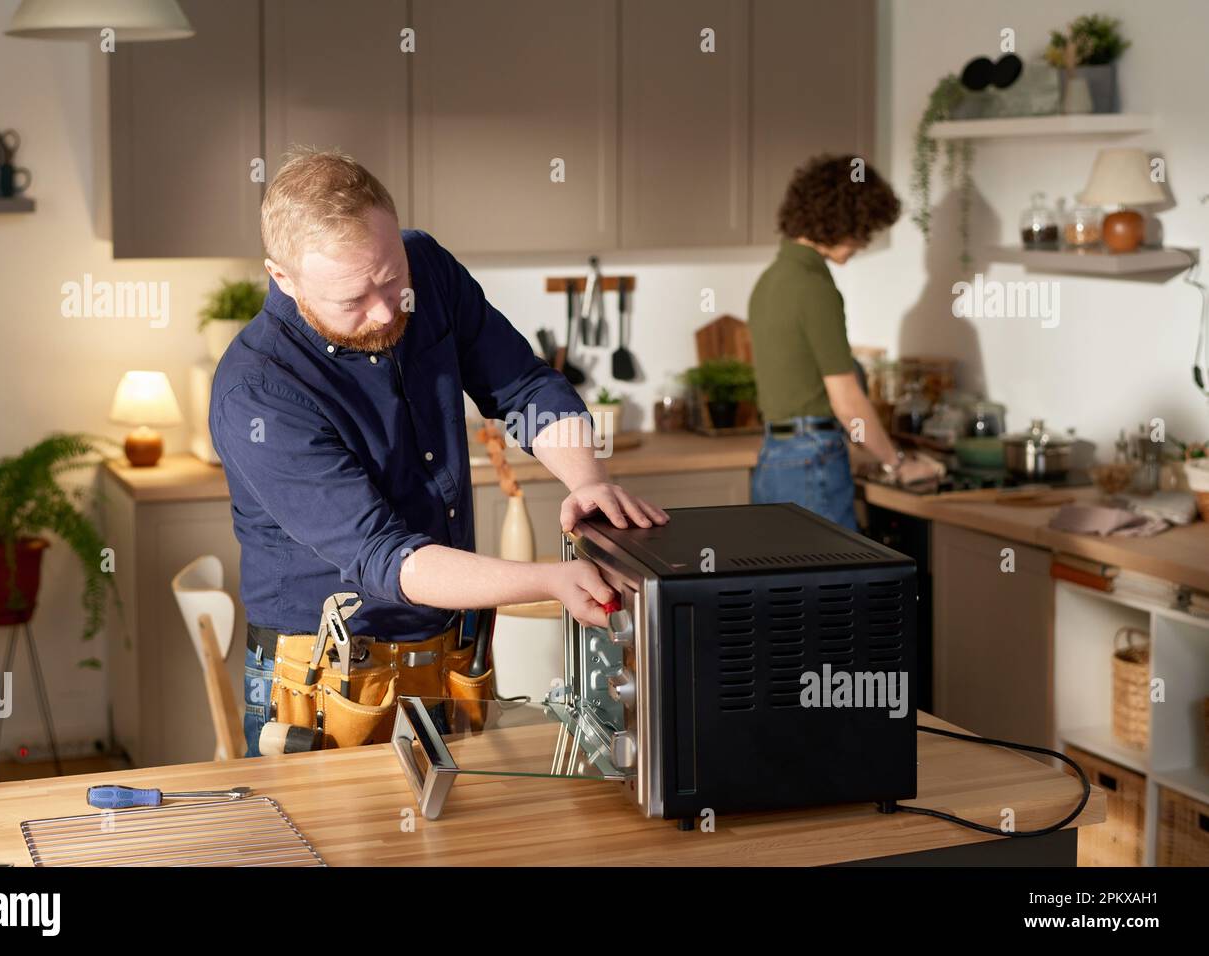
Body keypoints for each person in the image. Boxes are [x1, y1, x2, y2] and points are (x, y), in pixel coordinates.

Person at [211, 147, 668, 755]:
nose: (383, 311)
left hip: (450, 652)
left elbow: (523, 386)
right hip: (326, 684)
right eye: (351, 300)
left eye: (390, 278)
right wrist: (547, 580)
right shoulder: (257, 392)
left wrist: (585, 480)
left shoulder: (425, 266)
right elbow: (389, 557)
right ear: (283, 277)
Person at [748, 154, 939, 530]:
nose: (863, 243)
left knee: (786, 585)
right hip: (813, 462)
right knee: (830, 584)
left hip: (774, 459)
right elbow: (848, 403)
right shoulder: (815, 287)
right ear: (841, 220)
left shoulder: (771, 279)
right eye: (863, 230)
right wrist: (898, 463)